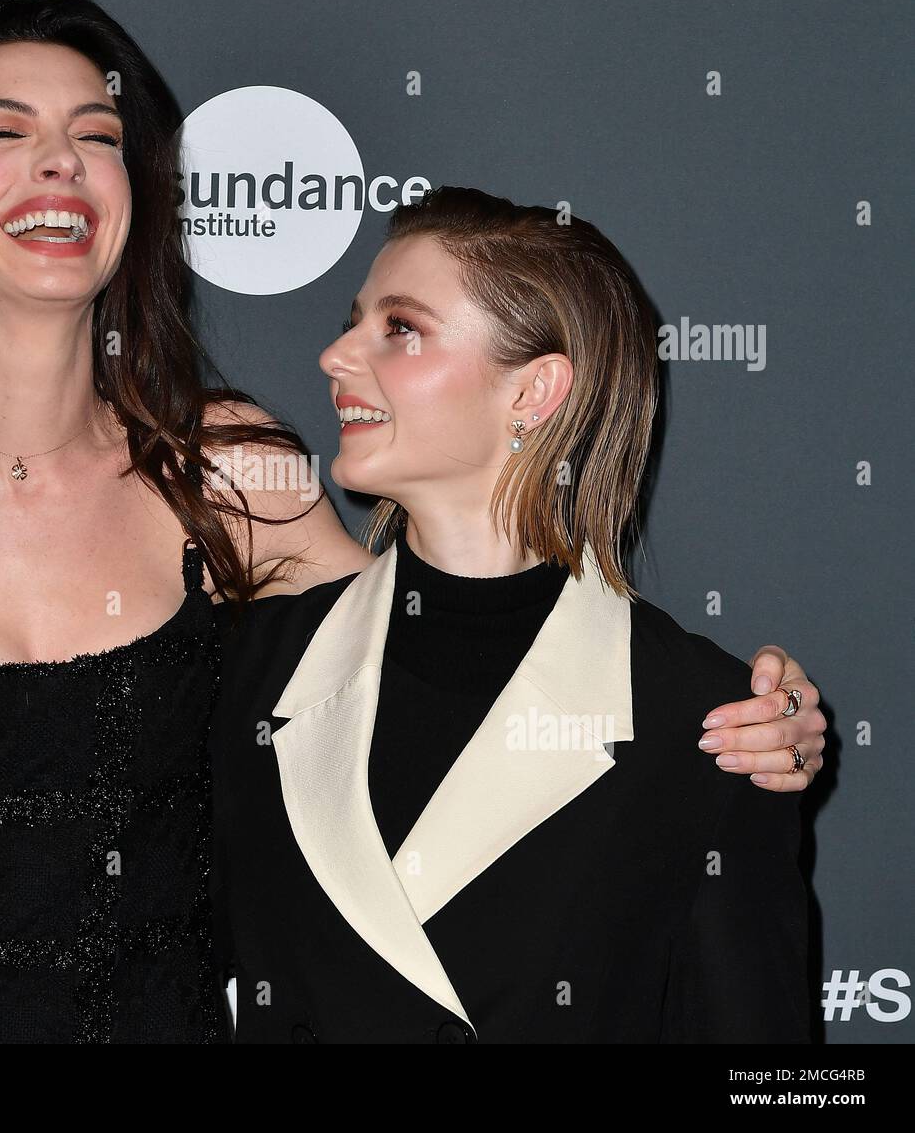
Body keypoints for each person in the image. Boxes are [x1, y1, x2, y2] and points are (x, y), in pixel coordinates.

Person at [0, 0, 821, 1044]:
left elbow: (451, 656)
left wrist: (750, 722)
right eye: (3, 130)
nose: (59, 160)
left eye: (96, 134)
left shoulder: (231, 469)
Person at [210, 187, 815, 1042]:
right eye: (355, 321)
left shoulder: (706, 721)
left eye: (401, 328)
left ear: (534, 391)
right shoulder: (255, 666)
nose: (336, 355)